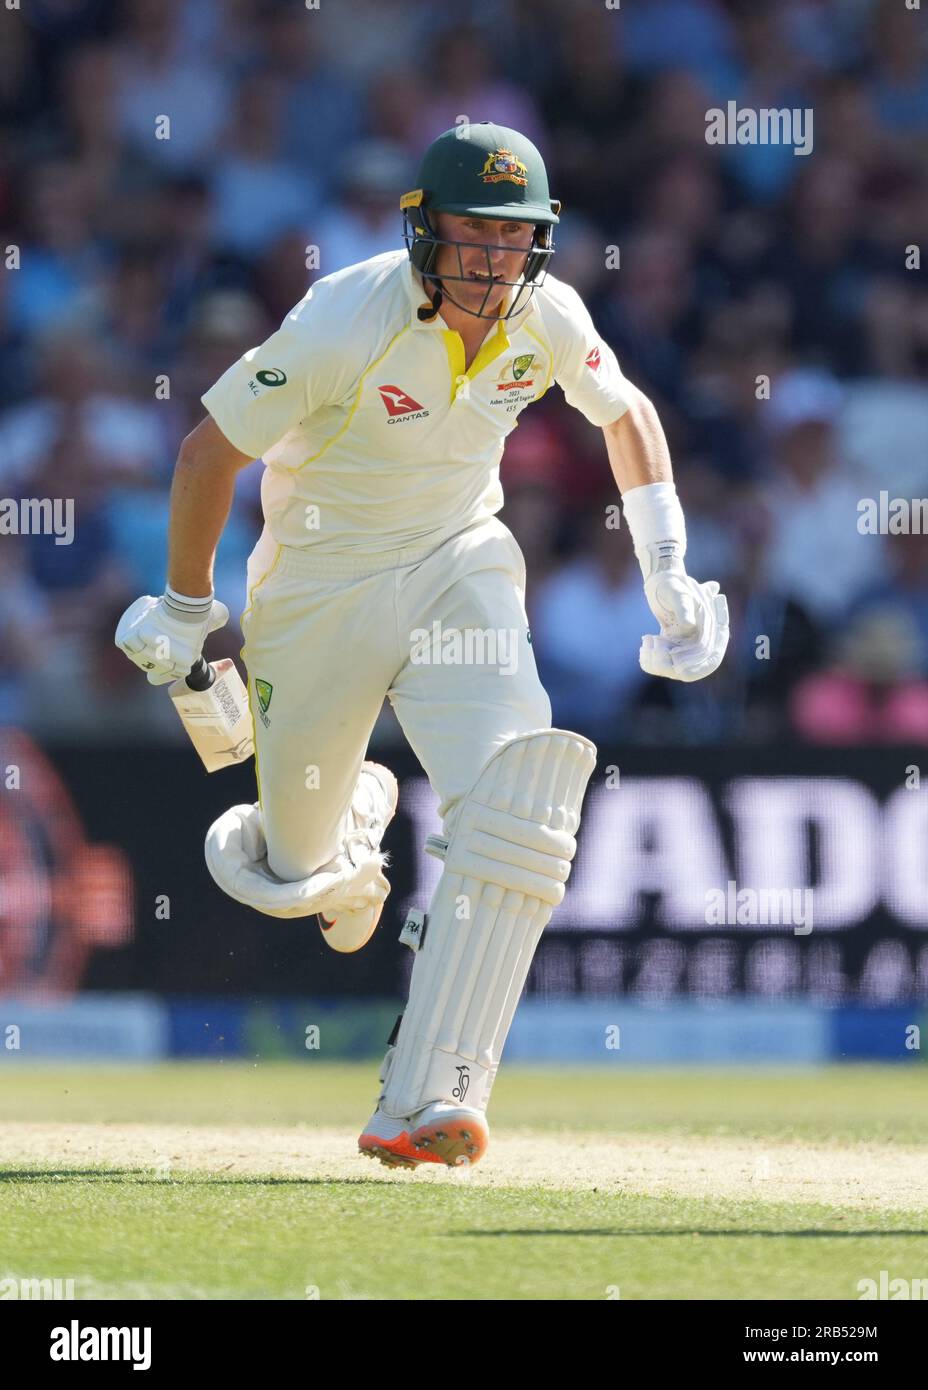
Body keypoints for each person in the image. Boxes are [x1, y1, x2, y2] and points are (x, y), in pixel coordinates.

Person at [114, 123, 729, 1170]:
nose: (493, 258)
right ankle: (344, 836)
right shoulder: (343, 316)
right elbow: (208, 448)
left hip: (458, 567)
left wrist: (669, 571)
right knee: (294, 872)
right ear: (423, 228)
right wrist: (183, 606)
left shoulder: (547, 317)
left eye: (514, 235)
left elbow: (623, 414)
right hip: (315, 591)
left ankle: (432, 1095)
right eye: (473, 231)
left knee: (519, 807)